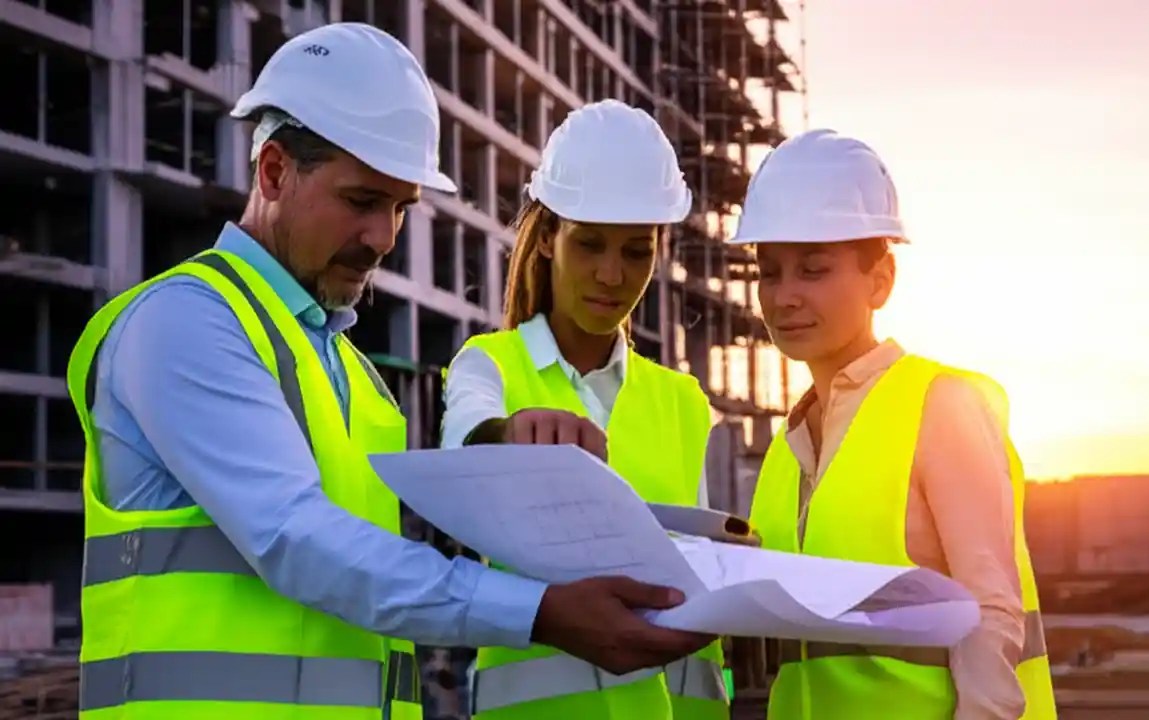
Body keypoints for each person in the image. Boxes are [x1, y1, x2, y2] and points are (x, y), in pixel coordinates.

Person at [66, 24, 710, 720]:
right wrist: (542, 612)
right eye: (362, 201)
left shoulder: (355, 378)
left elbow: (368, 591)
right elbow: (294, 537)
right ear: (274, 171)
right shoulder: (186, 323)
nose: (384, 239)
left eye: (401, 208)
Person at [729, 129, 1056, 720]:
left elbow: (993, 614)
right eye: (770, 272)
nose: (785, 296)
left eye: (813, 269)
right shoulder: (789, 447)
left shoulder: (939, 406)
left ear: (881, 280)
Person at [440, 99, 730, 720]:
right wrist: (509, 437)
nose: (611, 275)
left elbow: (699, 571)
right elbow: (462, 446)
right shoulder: (489, 365)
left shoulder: (681, 401)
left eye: (636, 251)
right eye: (590, 244)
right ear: (547, 238)